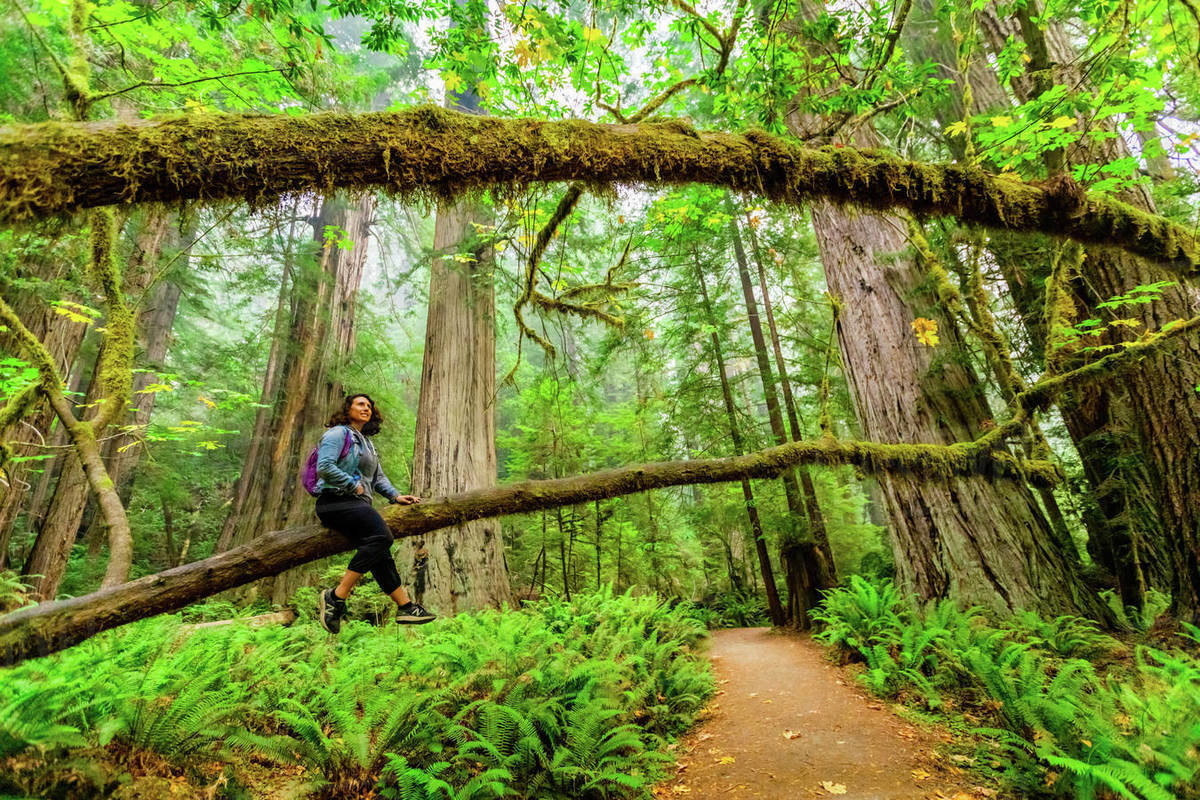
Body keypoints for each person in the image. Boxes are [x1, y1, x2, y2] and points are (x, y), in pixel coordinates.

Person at [314, 393, 435, 632]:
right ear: (348, 409)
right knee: (383, 537)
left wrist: (395, 496)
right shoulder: (339, 433)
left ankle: (406, 606)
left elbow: (377, 478)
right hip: (335, 501)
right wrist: (350, 483)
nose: (366, 408)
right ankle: (336, 597)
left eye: (369, 406)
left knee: (380, 552)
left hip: (357, 504)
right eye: (360, 404)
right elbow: (324, 467)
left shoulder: (366, 442)